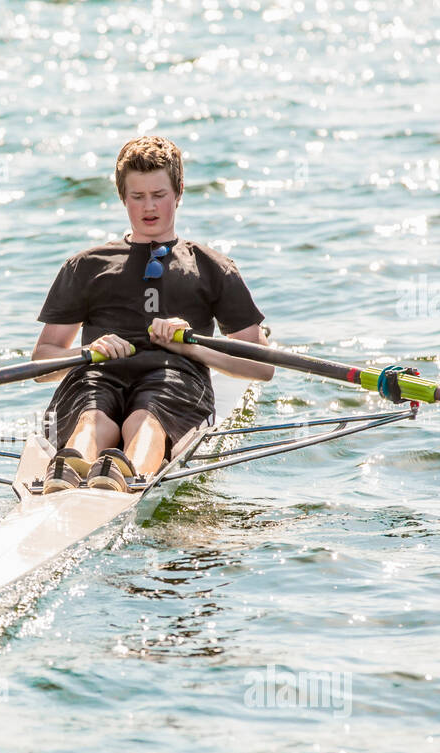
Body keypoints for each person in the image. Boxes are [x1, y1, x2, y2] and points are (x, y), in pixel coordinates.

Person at [31, 135, 275, 493]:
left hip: (174, 380)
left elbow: (262, 366)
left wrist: (191, 348)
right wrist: (88, 352)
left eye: (159, 195)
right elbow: (43, 362)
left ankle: (121, 479)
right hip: (96, 376)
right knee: (91, 418)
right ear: (121, 197)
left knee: (147, 419)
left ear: (178, 192)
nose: (149, 207)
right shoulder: (85, 266)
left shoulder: (211, 267)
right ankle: (68, 472)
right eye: (137, 197)